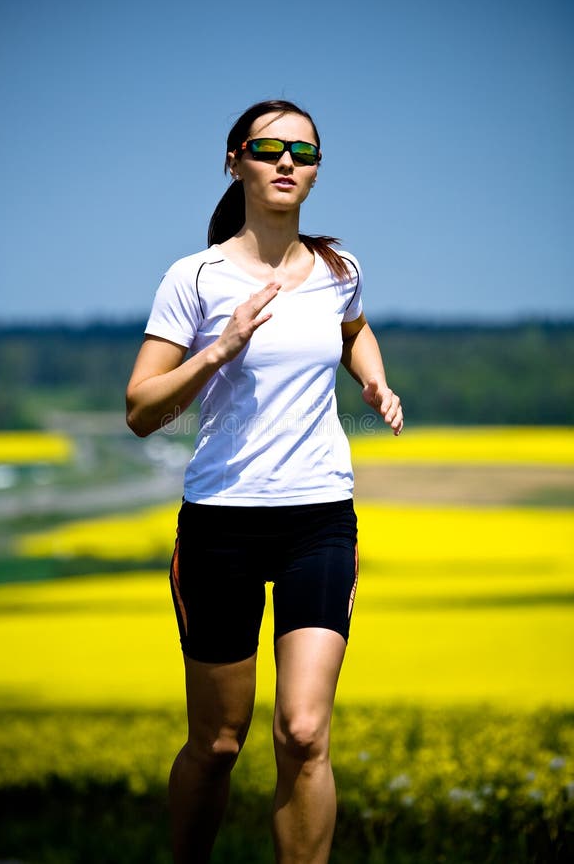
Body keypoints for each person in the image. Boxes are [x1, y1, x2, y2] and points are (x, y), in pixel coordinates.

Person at [126, 99, 403, 864]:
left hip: (319, 517)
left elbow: (354, 327)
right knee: (217, 743)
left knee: (304, 732)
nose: (287, 161)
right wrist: (222, 347)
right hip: (221, 523)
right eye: (268, 147)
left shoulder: (338, 269)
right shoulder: (196, 277)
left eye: (303, 152)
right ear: (235, 160)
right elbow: (141, 410)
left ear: (316, 172)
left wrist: (374, 382)